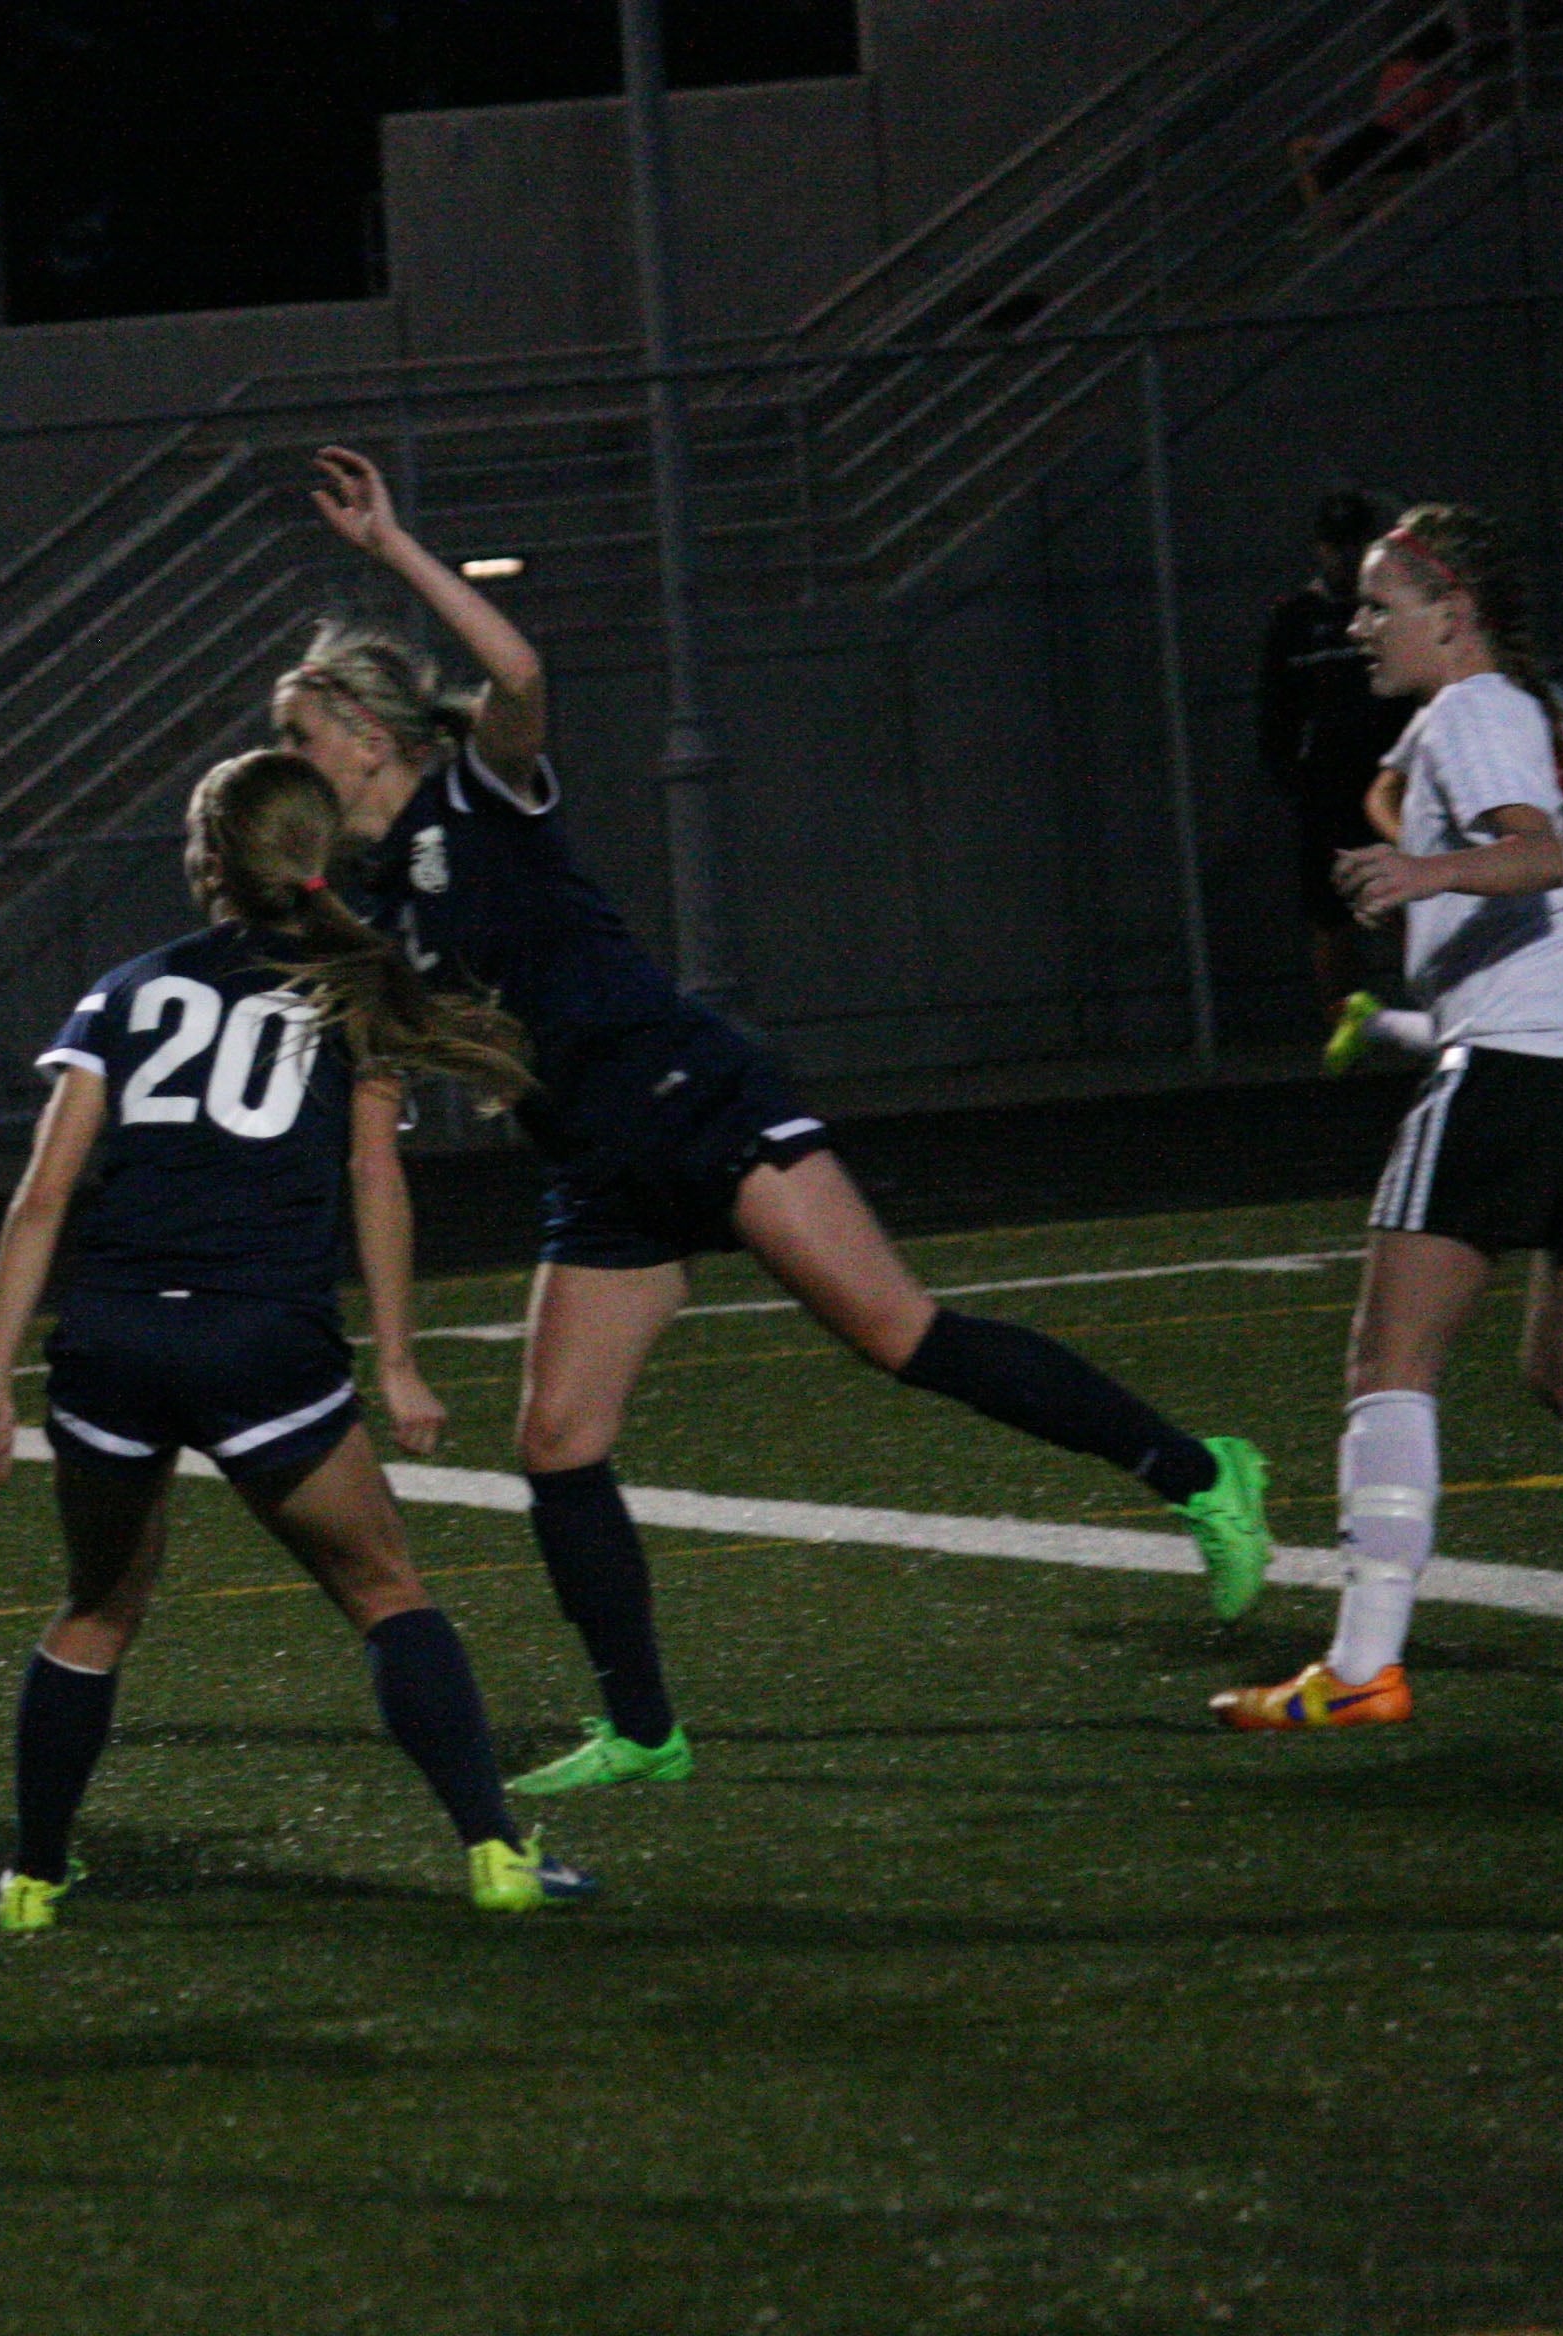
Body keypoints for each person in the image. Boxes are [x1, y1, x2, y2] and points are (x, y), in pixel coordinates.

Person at [284, 446, 1276, 1796]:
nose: (290, 761)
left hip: (693, 1100)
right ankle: (644, 1731)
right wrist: (393, 1356)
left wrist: (394, 549)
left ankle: (1197, 1467)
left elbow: (517, 680)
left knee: (897, 1333)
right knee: (558, 1442)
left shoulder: (480, 788)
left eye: (299, 733)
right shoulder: (379, 917)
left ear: (370, 730)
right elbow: (373, 1149)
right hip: (595, 1172)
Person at [0, 750, 596, 1924]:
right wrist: (397, 1356)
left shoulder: (124, 991)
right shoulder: (357, 985)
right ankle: (496, 1850)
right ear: (320, 851)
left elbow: (40, 1197)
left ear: (206, 858)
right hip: (259, 1338)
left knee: (96, 1610)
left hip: (113, 1340)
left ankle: (33, 1877)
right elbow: (372, 1172)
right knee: (387, 1588)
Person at [1218, 504, 1563, 1730]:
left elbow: (1534, 857)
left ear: (1454, 615)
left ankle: (1364, 1663)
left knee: (1390, 1362)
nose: (1360, 625)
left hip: (1518, 1060)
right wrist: (1420, 874)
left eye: (1382, 604)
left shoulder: (1476, 708)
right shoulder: (1541, 710)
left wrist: (1421, 871)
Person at [1258, 490, 1412, 1031]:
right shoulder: (1296, 619)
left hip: (1391, 785)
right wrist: (1294, 783)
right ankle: (1343, 1028)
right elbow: (1275, 714)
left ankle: (1443, 1007)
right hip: (1327, 793)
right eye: (1335, 546)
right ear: (1319, 549)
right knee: (1331, 914)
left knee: (1408, 900)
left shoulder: (1389, 610)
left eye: (1355, 545)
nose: (1344, 558)